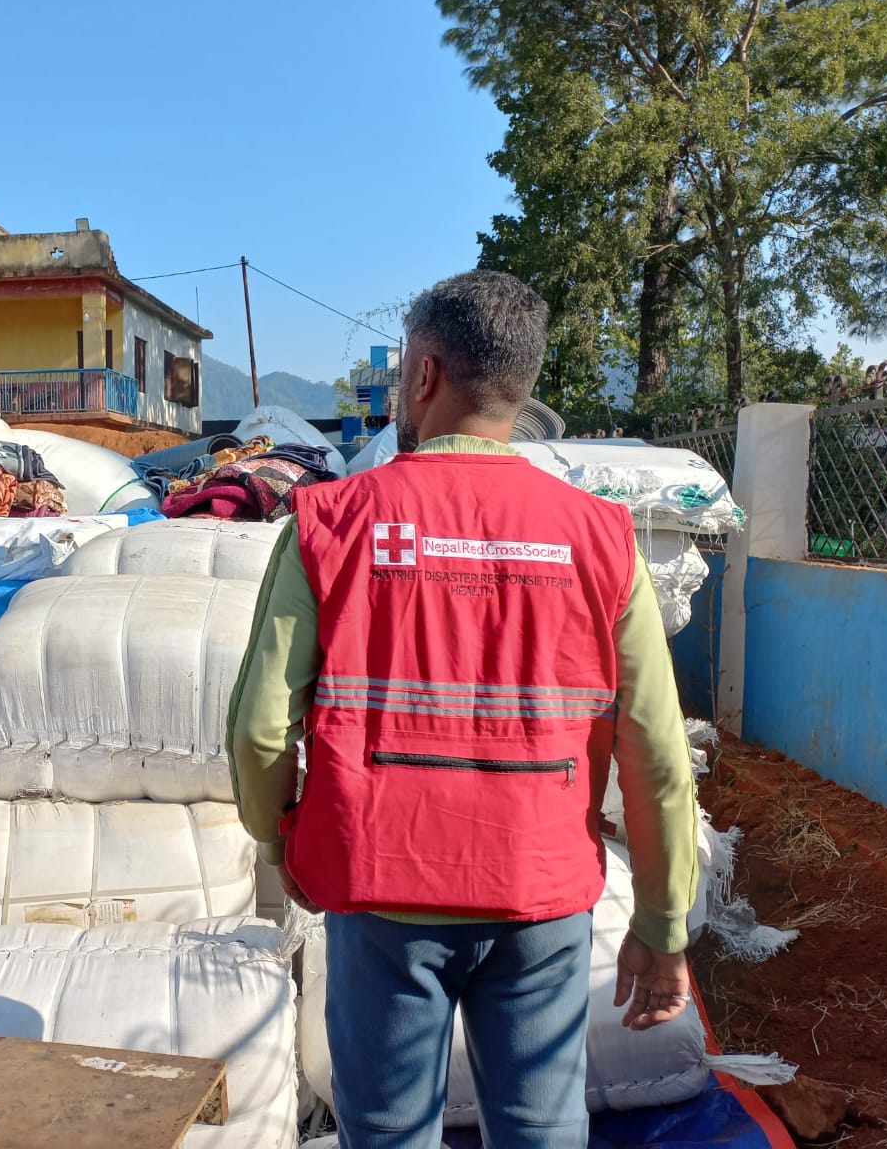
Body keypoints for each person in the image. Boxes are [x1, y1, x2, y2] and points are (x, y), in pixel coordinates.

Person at [227, 271, 701, 1149]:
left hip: (381, 891)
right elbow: (658, 754)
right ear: (521, 390)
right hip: (540, 892)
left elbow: (259, 724)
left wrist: (280, 831)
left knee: (389, 1131)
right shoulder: (603, 537)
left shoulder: (331, 521)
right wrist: (662, 925)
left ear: (424, 374)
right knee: (540, 1127)